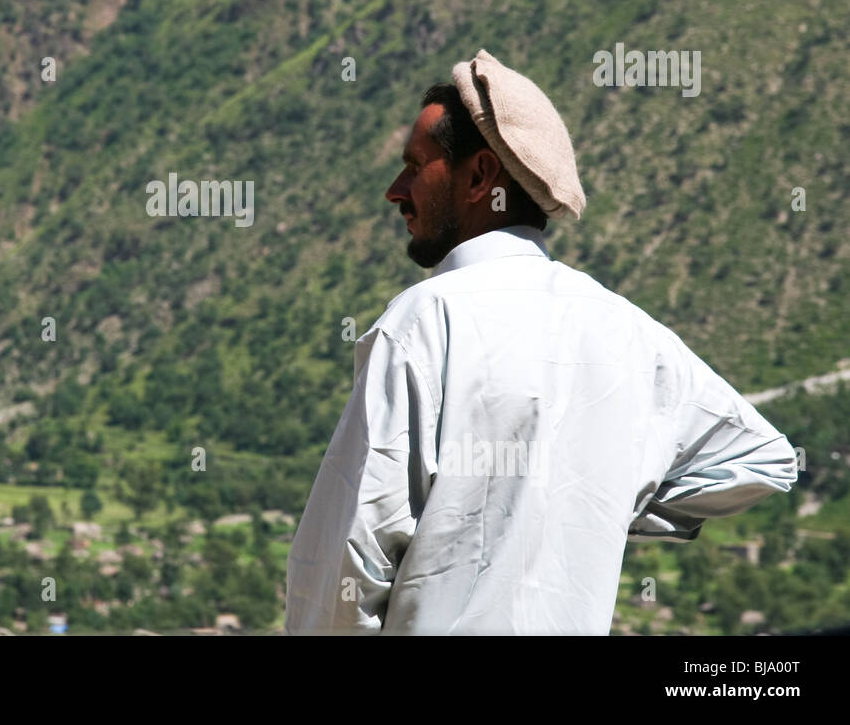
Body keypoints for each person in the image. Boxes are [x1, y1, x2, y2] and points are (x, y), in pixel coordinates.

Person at [284, 49, 798, 634]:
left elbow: (347, 561)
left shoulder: (424, 321)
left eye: (415, 165)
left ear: (479, 176)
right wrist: (596, 503)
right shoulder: (625, 328)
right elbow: (758, 458)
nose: (395, 190)